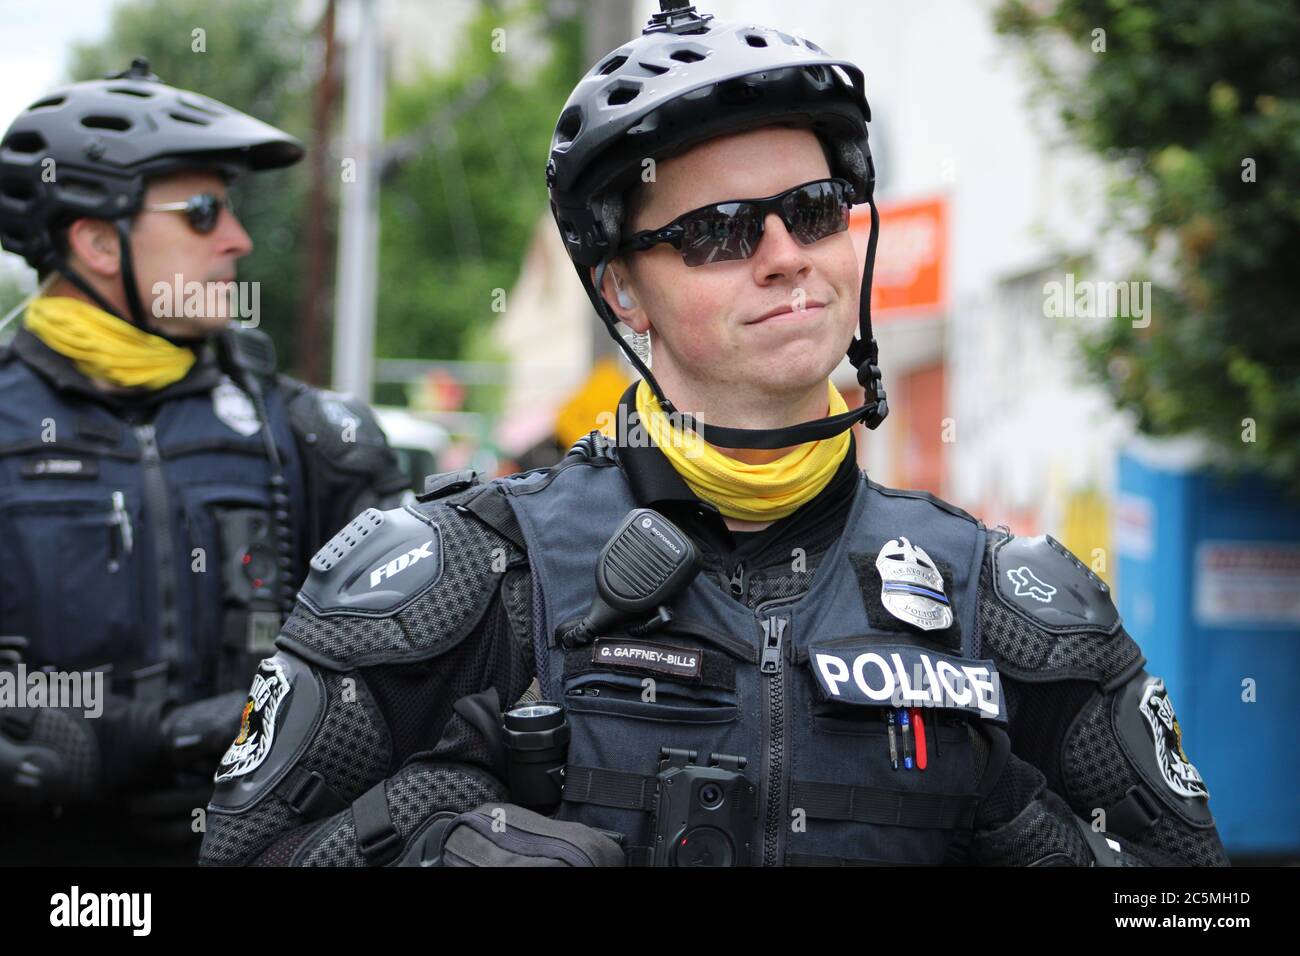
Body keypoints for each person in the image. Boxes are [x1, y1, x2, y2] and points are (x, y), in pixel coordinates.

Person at [200, 3, 1227, 867]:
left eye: (814, 211)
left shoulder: (1009, 603)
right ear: (622, 290)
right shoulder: (458, 580)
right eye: (719, 231)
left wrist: (1036, 835)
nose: (783, 255)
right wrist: (424, 839)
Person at [0, 59, 407, 863]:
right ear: (93, 240)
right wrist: (108, 741)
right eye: (200, 211)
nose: (238, 239)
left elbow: (413, 661)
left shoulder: (312, 433)